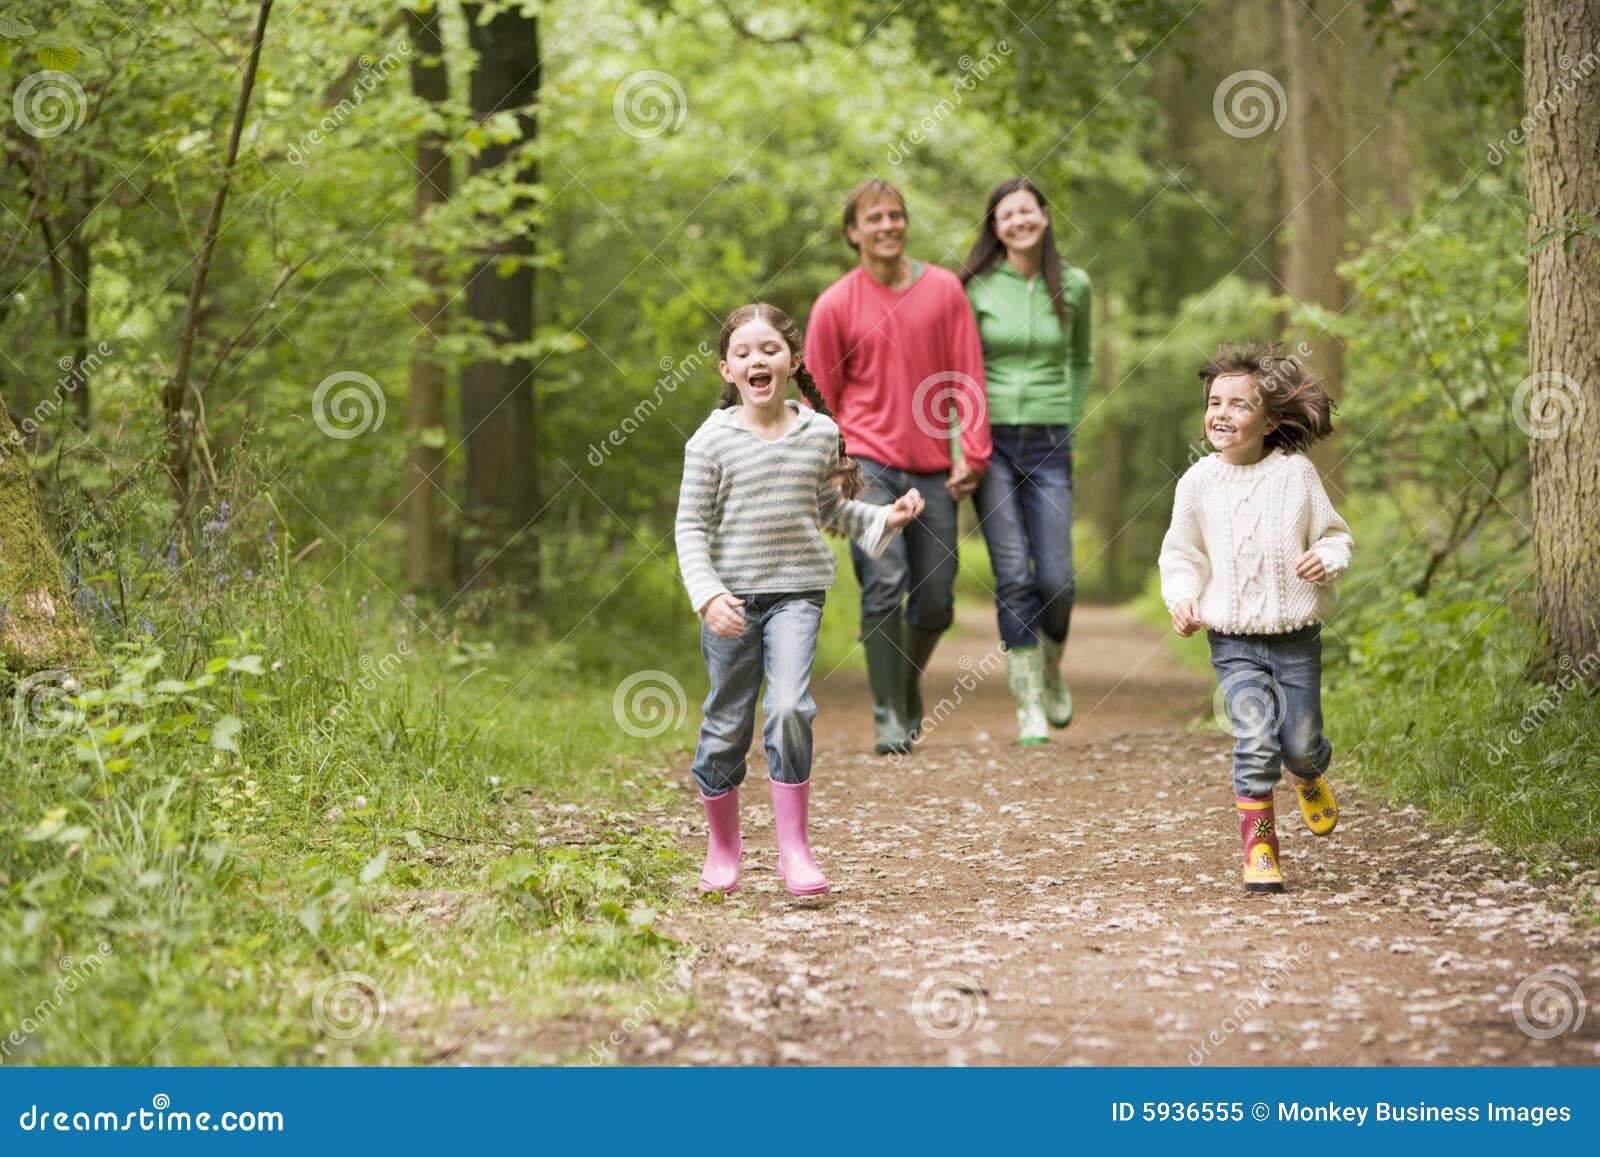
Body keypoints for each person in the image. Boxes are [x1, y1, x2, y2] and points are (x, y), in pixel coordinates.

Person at [675, 303, 925, 896]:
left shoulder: (818, 432)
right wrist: (707, 596)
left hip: (797, 595)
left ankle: (794, 850)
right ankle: (723, 846)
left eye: (769, 349)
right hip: (730, 602)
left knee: (789, 708)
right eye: (743, 353)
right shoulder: (709, 442)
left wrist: (884, 518)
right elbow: (689, 527)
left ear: (790, 361)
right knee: (726, 726)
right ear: (726, 370)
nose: (757, 360)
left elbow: (829, 510)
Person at [805, 178, 990, 755]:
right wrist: (833, 469)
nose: (888, 225)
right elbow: (818, 398)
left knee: (936, 598)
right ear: (853, 232)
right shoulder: (836, 303)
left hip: (934, 467)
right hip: (867, 464)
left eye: (896, 215)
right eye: (874, 217)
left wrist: (972, 453)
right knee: (885, 581)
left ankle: (905, 683)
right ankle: (888, 713)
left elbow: (968, 376)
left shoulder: (943, 290)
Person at [1159, 342, 1352, 894]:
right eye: (1214, 401)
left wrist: (1326, 560)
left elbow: (1336, 536)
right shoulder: (1197, 483)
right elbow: (1181, 554)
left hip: (1296, 638)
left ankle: (1309, 772)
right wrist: (1182, 597)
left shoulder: (1295, 476)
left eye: (1239, 404)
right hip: (1232, 639)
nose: (1221, 413)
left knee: (1298, 743)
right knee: (1254, 737)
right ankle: (1260, 845)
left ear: (1270, 421)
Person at [960, 177, 1092, 745]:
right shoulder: (976, 288)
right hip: (990, 444)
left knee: (1058, 579)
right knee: (1013, 575)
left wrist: (1069, 415)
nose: (1018, 221)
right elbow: (959, 368)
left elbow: (1081, 359)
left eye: (1027, 211)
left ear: (1044, 216)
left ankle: (1052, 668)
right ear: (995, 227)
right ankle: (1029, 707)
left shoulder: (1076, 285)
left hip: (1050, 440)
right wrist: (960, 442)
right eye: (1006, 215)